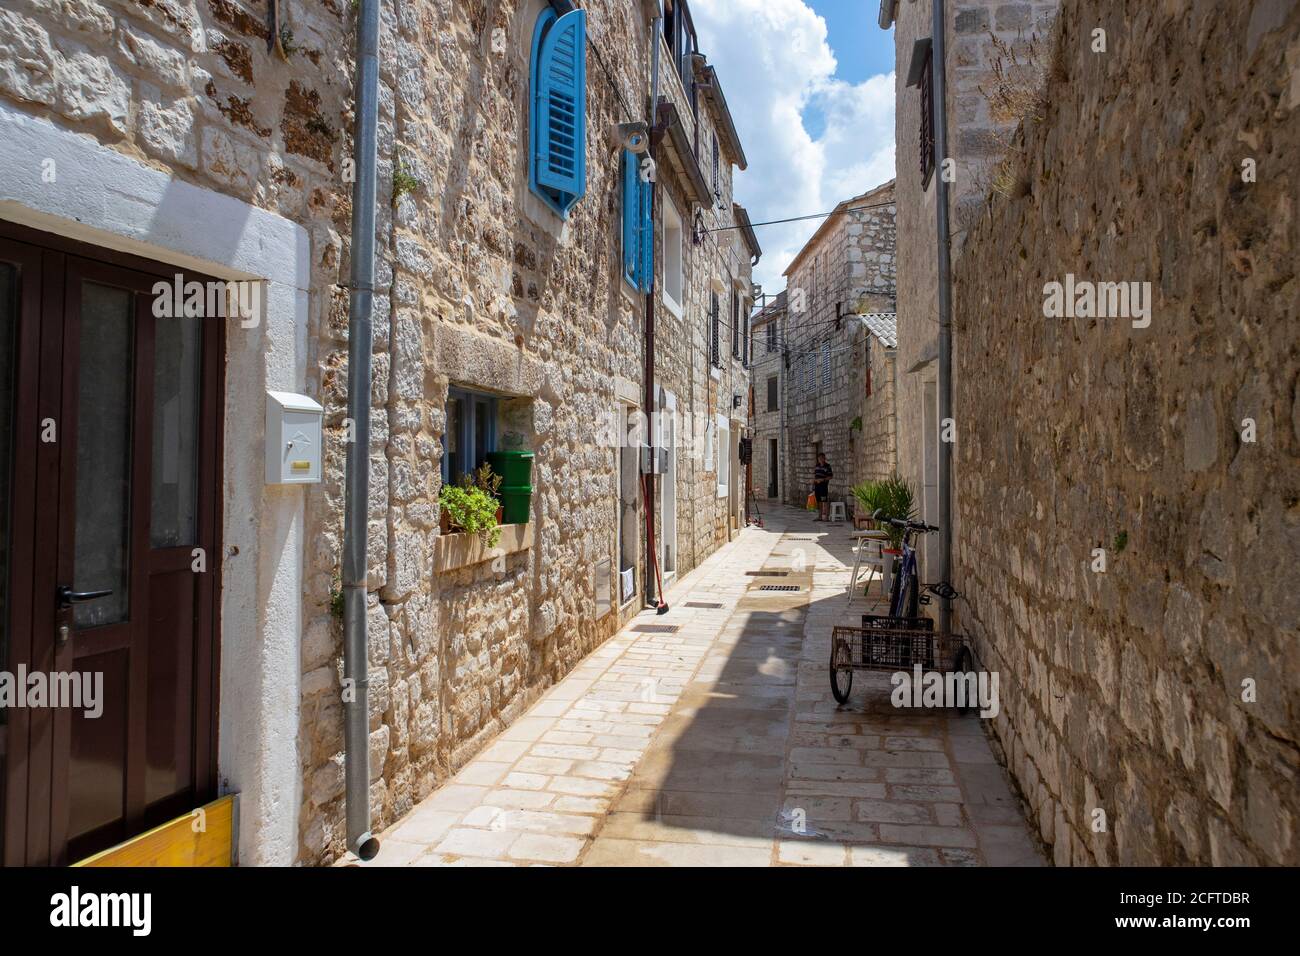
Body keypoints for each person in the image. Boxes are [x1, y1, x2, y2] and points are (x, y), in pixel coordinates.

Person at [812, 453, 833, 521]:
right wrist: (815, 481)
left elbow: (830, 476)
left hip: (823, 486)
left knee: (824, 500)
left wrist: (823, 479)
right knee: (819, 501)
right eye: (819, 458)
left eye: (822, 458)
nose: (820, 459)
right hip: (817, 486)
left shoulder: (827, 466)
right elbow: (815, 475)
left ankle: (826, 517)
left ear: (824, 458)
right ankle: (820, 516)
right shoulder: (817, 465)